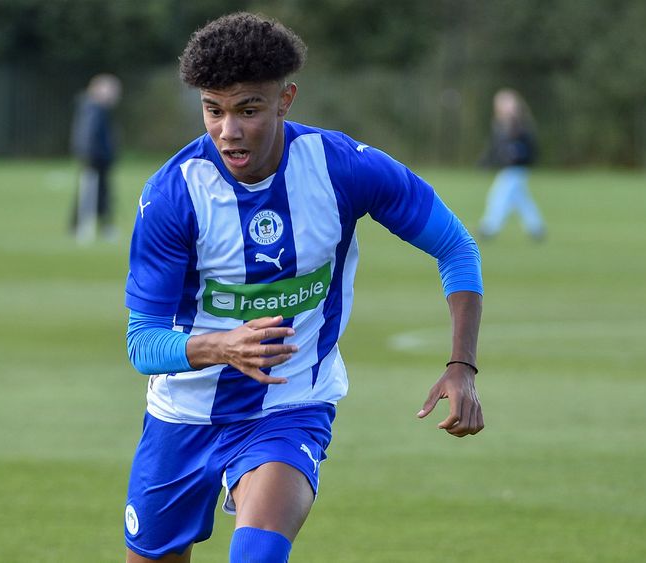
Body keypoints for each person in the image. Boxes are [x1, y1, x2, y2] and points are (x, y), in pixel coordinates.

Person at [122, 12, 484, 563]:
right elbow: (142, 343)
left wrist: (462, 366)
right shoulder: (173, 196)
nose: (228, 130)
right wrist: (222, 347)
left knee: (257, 555)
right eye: (212, 110)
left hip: (290, 404)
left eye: (248, 110)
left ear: (285, 99)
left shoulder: (342, 168)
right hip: (182, 417)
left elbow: (456, 246)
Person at [477, 88, 545, 241]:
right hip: (507, 168)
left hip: (517, 169)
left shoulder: (520, 125)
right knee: (521, 200)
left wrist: (520, 155)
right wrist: (486, 161)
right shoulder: (500, 124)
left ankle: (489, 227)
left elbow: (531, 148)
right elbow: (495, 147)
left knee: (498, 196)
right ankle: (536, 228)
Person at [69, 73, 122, 243]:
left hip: (100, 158)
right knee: (92, 193)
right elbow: (88, 135)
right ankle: (84, 227)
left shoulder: (96, 108)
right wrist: (90, 155)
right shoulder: (93, 108)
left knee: (99, 193)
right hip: (95, 158)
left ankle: (90, 225)